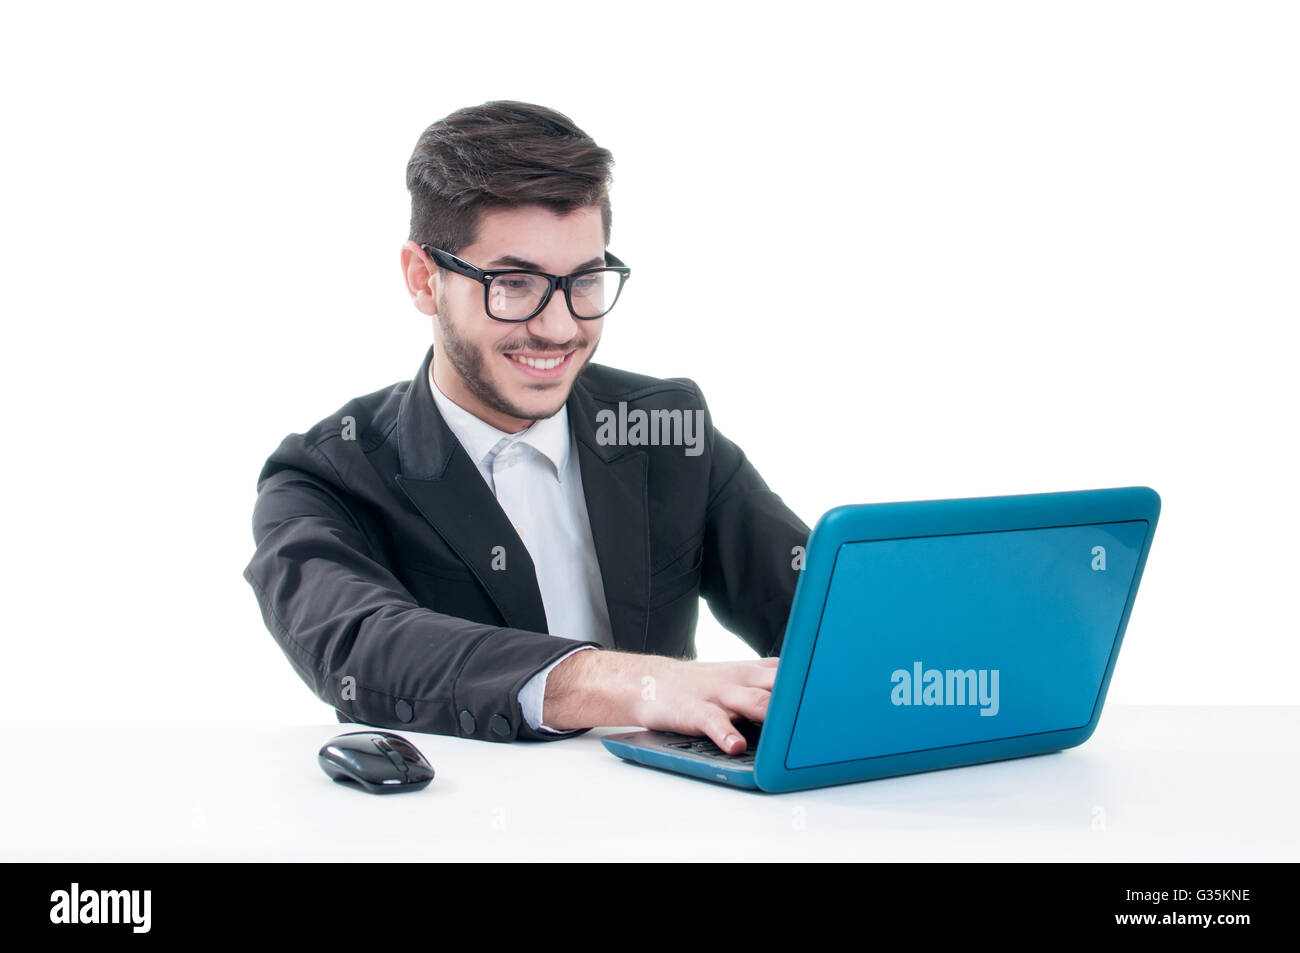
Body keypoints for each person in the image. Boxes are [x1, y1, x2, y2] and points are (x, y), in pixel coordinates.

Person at [243, 101, 809, 756]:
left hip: (663, 827)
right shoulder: (326, 473)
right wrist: (632, 680)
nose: (560, 327)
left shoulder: (660, 425)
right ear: (423, 280)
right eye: (514, 283)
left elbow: (818, 615)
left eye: (584, 281)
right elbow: (361, 640)